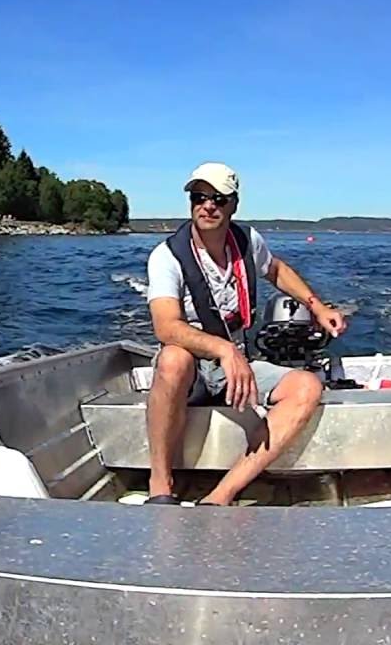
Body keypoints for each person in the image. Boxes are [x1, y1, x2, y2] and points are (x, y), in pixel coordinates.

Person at [143, 162, 347, 506]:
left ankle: (221, 495)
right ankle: (161, 485)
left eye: (218, 199)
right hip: (194, 368)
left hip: (234, 364)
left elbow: (277, 270)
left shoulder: (247, 242)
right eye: (199, 197)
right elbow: (166, 327)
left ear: (233, 205)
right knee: (173, 358)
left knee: (308, 387)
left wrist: (316, 306)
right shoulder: (166, 257)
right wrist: (224, 350)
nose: (208, 206)